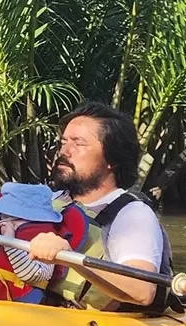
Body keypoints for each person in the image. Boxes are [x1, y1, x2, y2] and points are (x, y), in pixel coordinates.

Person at [28, 101, 173, 312]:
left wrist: (71, 258)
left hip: (88, 325)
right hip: (29, 311)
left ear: (112, 159)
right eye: (64, 142)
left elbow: (142, 291)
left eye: (78, 143)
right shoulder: (48, 202)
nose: (65, 151)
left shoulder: (132, 215)